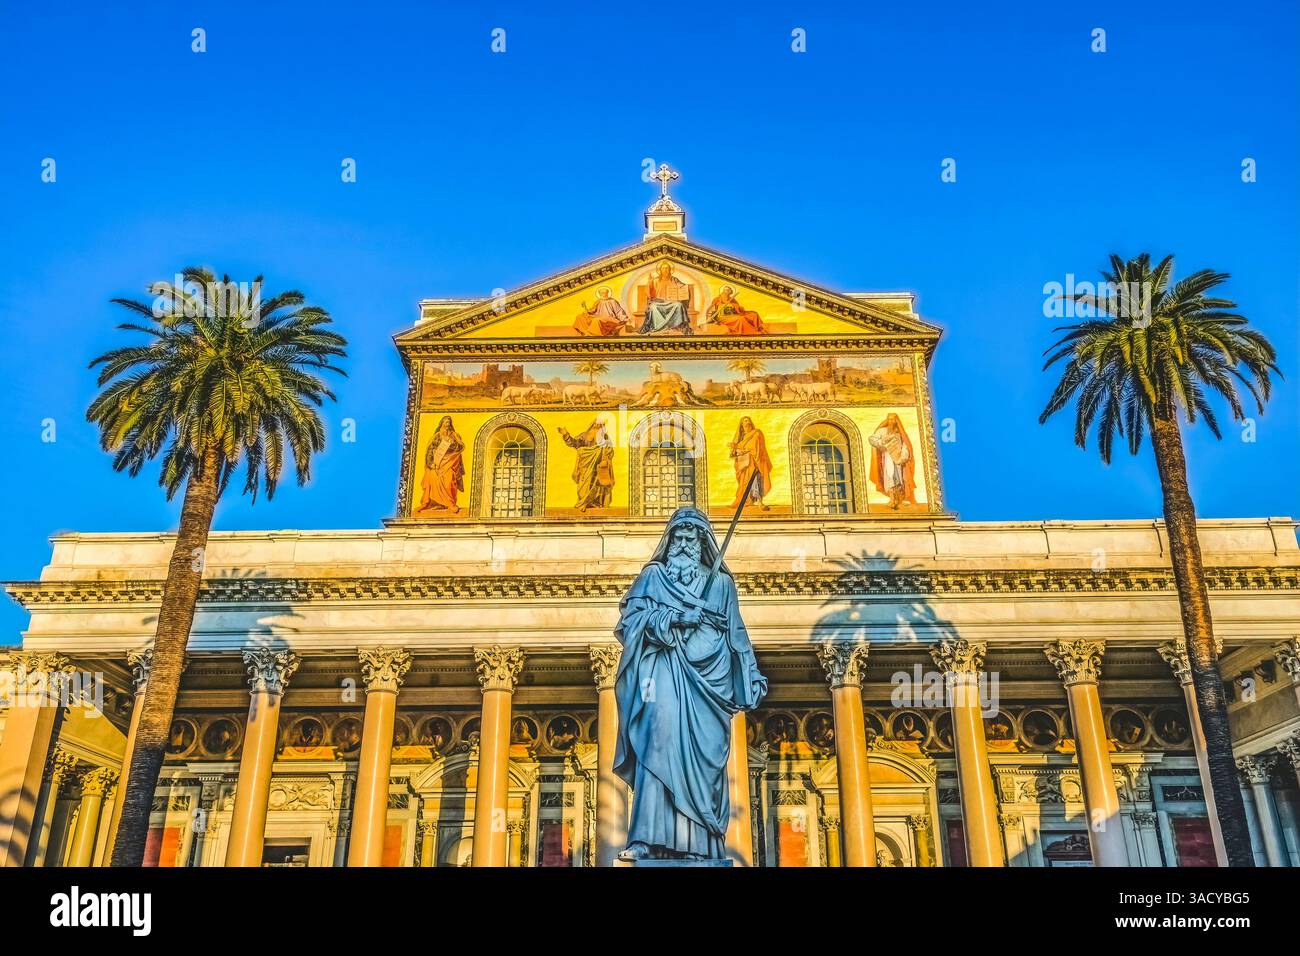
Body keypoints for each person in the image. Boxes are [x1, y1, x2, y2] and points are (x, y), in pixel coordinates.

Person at [613, 508, 767, 862]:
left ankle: (701, 845)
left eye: (690, 539)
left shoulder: (721, 584)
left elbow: (736, 634)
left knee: (705, 758)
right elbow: (631, 622)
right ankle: (646, 839)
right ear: (668, 542)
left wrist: (751, 672)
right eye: (677, 539)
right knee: (658, 739)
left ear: (703, 543)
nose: (683, 546)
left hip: (709, 686)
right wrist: (679, 617)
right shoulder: (653, 577)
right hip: (665, 668)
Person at [558, 420, 615, 511]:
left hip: (599, 465)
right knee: (583, 484)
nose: (598, 424)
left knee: (598, 484)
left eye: (600, 423)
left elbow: (609, 450)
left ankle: (595, 503)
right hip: (586, 464)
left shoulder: (605, 437)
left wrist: (605, 459)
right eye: (596, 422)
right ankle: (583, 502)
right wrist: (566, 435)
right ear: (592, 423)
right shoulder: (584, 435)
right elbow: (574, 443)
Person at [868, 413, 916, 510]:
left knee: (900, 479)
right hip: (888, 457)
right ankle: (892, 499)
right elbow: (872, 439)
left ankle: (899, 500)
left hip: (899, 459)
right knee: (890, 476)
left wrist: (903, 456)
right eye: (889, 419)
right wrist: (882, 443)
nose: (891, 421)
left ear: (896, 421)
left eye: (893, 419)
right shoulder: (883, 431)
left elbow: (905, 445)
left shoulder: (900, 433)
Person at [419, 415, 465, 514]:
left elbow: (461, 446)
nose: (447, 423)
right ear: (442, 423)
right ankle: (436, 504)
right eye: (446, 422)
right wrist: (431, 464)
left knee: (449, 481)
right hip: (437, 463)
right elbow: (430, 450)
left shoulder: (454, 435)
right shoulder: (437, 436)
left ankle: (450, 503)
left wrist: (453, 444)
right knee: (433, 479)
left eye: (449, 422)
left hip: (450, 462)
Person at [728, 417, 773, 509]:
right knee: (746, 483)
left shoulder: (757, 433)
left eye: (748, 421)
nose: (747, 423)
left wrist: (743, 449)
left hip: (757, 462)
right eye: (745, 422)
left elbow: (757, 446)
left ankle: (760, 502)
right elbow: (735, 452)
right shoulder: (742, 438)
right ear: (742, 426)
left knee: (757, 480)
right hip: (745, 464)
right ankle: (748, 500)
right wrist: (736, 449)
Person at [638, 262, 693, 334]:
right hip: (658, 302)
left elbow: (682, 288)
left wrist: (685, 289)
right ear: (660, 270)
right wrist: (649, 282)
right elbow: (648, 292)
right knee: (653, 307)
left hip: (672, 302)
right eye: (663, 268)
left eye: (667, 268)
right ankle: (657, 328)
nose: (665, 270)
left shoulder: (674, 280)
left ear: (670, 270)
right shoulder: (655, 280)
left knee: (679, 305)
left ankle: (676, 327)